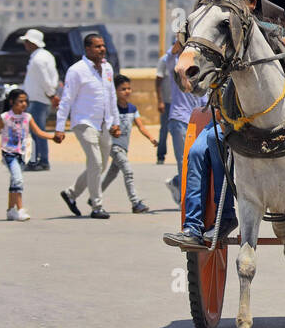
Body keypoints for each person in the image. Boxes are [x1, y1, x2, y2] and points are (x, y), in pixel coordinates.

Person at [54, 32, 121, 219]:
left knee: (99, 165)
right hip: (84, 122)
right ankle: (97, 205)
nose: (102, 49)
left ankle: (71, 194)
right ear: (87, 49)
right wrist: (59, 127)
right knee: (96, 162)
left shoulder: (107, 68)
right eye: (98, 46)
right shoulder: (77, 70)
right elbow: (66, 99)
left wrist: (115, 122)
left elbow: (112, 97)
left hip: (104, 123)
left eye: (103, 46)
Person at [162, 121, 238, 250]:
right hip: (220, 117)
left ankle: (226, 214)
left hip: (245, 117)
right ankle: (193, 228)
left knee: (216, 137)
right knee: (196, 152)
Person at [0, 88, 51, 220]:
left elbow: (38, 132)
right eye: (20, 101)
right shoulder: (5, 117)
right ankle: (20, 209)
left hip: (23, 154)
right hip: (9, 153)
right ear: (12, 101)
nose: (24, 104)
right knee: (18, 179)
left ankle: (10, 210)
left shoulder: (27, 117)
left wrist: (53, 137)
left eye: (26, 101)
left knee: (15, 180)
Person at [101, 74, 156, 214]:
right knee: (128, 171)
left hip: (124, 148)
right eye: (123, 89)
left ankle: (95, 196)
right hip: (113, 146)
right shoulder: (112, 109)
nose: (127, 91)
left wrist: (151, 138)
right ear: (115, 91)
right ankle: (135, 203)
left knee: (111, 174)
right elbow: (105, 126)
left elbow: (141, 126)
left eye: (129, 88)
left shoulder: (132, 108)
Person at [163, 41, 208, 205]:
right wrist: (174, 50)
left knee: (198, 160)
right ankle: (188, 202)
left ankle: (177, 183)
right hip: (180, 119)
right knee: (185, 161)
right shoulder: (177, 67)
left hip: (199, 120)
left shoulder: (200, 65)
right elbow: (168, 62)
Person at [21, 29, 59, 171]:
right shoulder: (45, 55)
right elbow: (53, 77)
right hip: (39, 98)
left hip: (38, 99)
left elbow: (45, 80)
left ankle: (40, 161)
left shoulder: (38, 59)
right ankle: (39, 160)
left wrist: (51, 95)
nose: (25, 44)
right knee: (38, 130)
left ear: (32, 42)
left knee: (37, 131)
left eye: (27, 41)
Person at [154, 42, 177, 165]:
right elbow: (158, 81)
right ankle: (161, 155)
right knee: (164, 130)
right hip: (167, 102)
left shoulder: (183, 58)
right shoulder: (164, 60)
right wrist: (160, 101)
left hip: (180, 103)